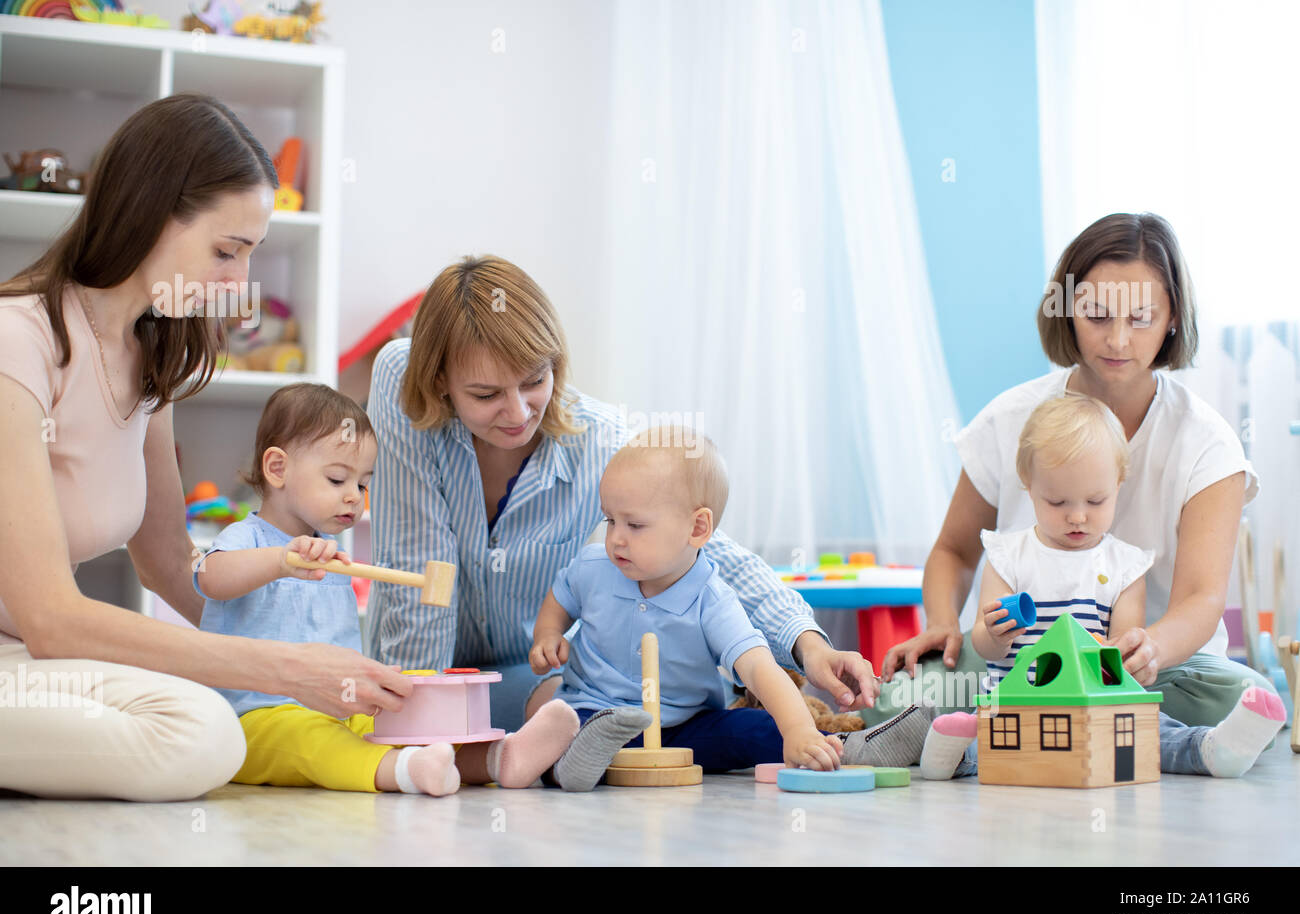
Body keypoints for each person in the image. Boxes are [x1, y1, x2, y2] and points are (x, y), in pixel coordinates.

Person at [0, 94, 406, 802]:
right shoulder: (17, 341)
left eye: (250, 256)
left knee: (211, 718)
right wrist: (278, 669)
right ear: (148, 212)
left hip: (27, 657)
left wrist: (296, 622)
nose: (238, 289)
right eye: (226, 251)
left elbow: (167, 567)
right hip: (36, 642)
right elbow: (52, 616)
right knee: (201, 731)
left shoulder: (150, 359)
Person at [366, 255, 882, 736]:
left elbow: (714, 555)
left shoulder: (602, 441)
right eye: (485, 395)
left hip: (536, 679)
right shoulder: (400, 380)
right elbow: (419, 564)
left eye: (534, 381)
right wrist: (419, 714)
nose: (520, 412)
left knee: (596, 716)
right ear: (440, 382)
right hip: (427, 674)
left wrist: (810, 646)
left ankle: (779, 714)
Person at [876, 212, 1275, 734]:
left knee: (1247, 699)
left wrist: (1148, 648)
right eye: (1096, 316)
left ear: (1173, 316)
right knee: (897, 698)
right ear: (1066, 312)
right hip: (1015, 668)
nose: (1116, 340)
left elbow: (1201, 597)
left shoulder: (1207, 442)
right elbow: (953, 550)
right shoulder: (1010, 417)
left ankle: (1049, 723)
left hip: (1149, 670)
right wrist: (944, 623)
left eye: (1139, 319)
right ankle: (1036, 721)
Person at [193, 384, 580, 796]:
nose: (354, 498)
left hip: (338, 709)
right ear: (277, 469)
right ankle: (405, 770)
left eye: (362, 484)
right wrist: (280, 560)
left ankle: (497, 758)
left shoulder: (333, 554)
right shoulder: (246, 538)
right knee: (313, 739)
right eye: (337, 478)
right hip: (257, 720)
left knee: (410, 701)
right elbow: (210, 578)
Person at [917, 395, 1285, 780]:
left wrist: (1119, 655)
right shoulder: (1008, 556)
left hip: (1094, 702)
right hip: (1019, 699)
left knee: (1147, 732)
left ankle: (1209, 750)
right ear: (1028, 486)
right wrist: (994, 633)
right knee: (991, 731)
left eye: (1095, 500)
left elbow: (1121, 650)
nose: (1077, 516)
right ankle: (950, 757)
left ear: (1118, 484)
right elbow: (986, 647)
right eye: (1057, 501)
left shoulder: (1125, 567)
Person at [528, 429, 861, 791]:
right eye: (610, 520)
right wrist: (548, 634)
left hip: (685, 728)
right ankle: (567, 765)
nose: (616, 538)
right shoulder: (594, 566)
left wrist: (797, 730)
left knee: (755, 728)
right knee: (555, 726)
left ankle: (840, 746)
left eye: (635, 525)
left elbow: (758, 667)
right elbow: (561, 597)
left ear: (698, 528)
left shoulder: (713, 598)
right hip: (594, 712)